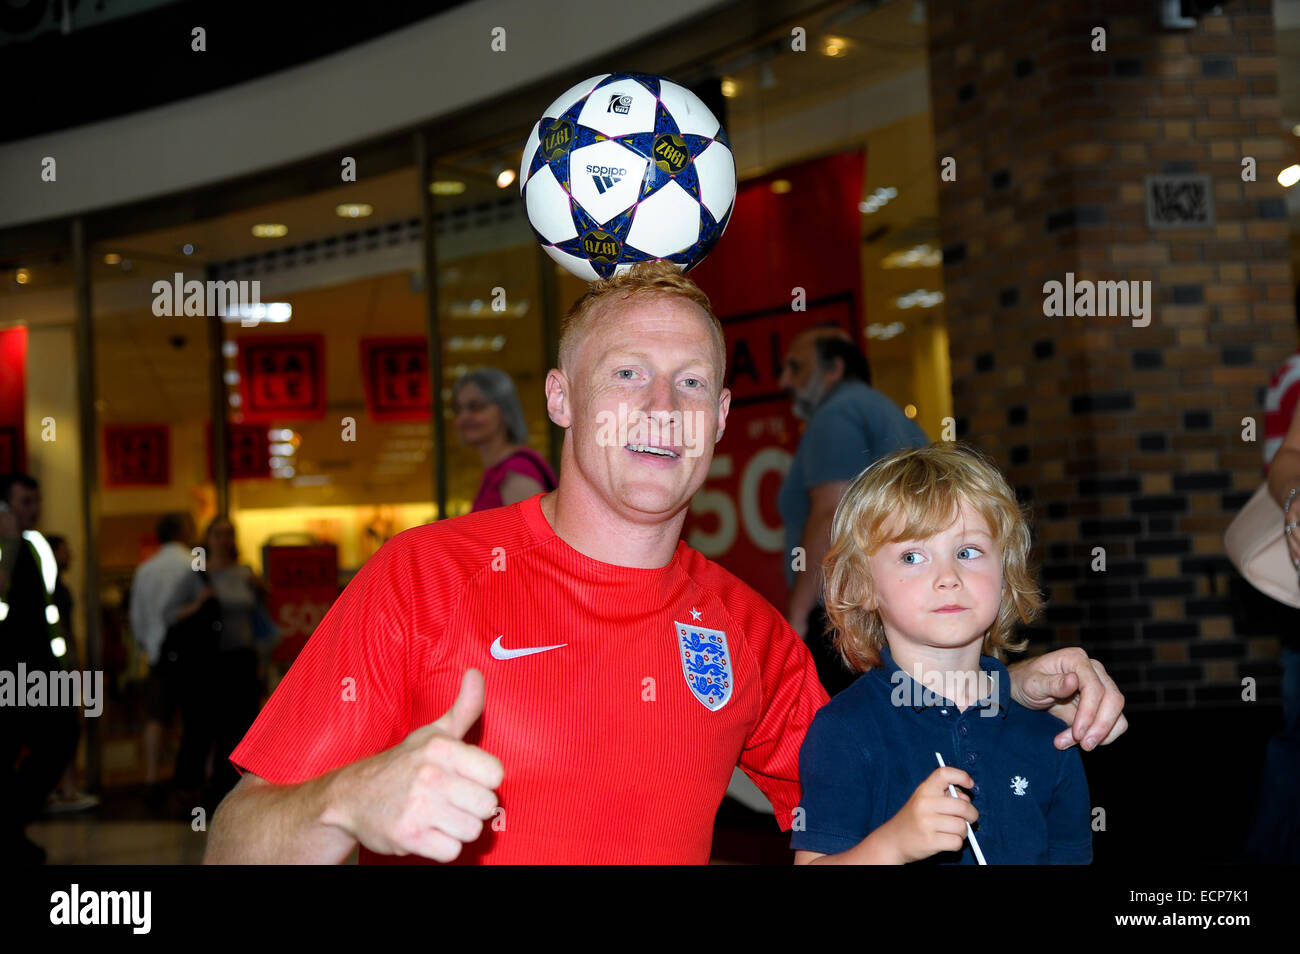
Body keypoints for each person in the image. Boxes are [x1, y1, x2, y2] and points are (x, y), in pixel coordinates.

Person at [204, 261, 1127, 865]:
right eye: (625, 374)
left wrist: (1009, 688)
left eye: (691, 382)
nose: (661, 405)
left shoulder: (749, 632)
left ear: (721, 419)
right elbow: (234, 840)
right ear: (561, 399)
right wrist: (343, 802)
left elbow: (891, 784)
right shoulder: (426, 576)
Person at [793, 444, 1091, 864]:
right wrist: (892, 845)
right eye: (913, 557)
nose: (948, 576)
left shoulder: (1050, 735)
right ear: (863, 587)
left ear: (1005, 576)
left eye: (967, 552)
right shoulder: (844, 731)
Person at [777, 326, 928, 694]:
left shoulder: (835, 415)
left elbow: (830, 514)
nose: (785, 381)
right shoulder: (887, 413)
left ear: (834, 369)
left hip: (847, 618)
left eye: (796, 368)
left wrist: (796, 620)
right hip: (898, 608)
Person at [0, 473, 79, 863]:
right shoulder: (8, 548)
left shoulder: (37, 547)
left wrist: (67, 669)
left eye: (37, 501)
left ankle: (10, 826)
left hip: (44, 670)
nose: (34, 509)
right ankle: (9, 831)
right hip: (9, 672)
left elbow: (52, 610)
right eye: (24, 501)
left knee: (60, 739)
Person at [170, 516, 271, 805]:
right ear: (208, 538)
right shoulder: (199, 573)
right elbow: (171, 613)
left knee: (239, 725)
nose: (224, 540)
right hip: (209, 662)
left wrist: (261, 590)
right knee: (202, 725)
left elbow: (258, 617)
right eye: (218, 534)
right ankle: (190, 788)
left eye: (229, 534)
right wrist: (200, 602)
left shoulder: (244, 572)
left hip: (242, 658)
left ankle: (227, 788)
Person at [130, 512, 204, 799]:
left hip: (158, 653)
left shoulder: (146, 569)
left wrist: (147, 646)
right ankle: (189, 776)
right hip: (191, 654)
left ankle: (151, 777)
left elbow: (137, 616)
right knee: (193, 717)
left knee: (156, 716)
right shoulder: (193, 563)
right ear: (184, 531)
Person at [453, 367, 556, 512]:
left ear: (505, 410)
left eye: (476, 407)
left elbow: (532, 534)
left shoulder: (516, 472)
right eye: (458, 409)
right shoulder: (497, 471)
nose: (463, 417)